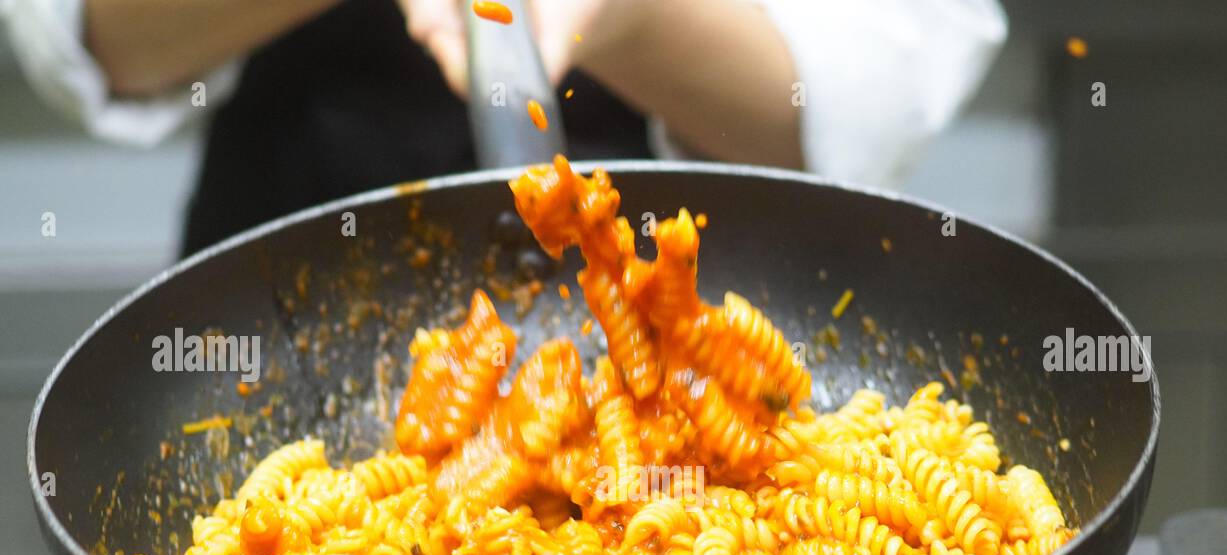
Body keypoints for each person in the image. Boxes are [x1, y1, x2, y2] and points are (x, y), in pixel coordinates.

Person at [5, 0, 1007, 256]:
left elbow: (878, 82)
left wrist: (623, 13)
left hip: (715, 357)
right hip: (276, 322)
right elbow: (87, 37)